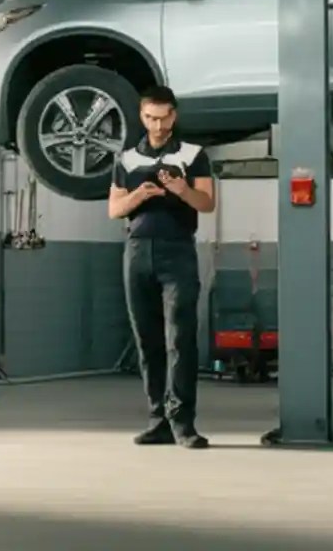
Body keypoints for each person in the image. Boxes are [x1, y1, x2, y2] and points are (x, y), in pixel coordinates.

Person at [108, 85, 216, 448]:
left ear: (174, 115)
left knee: (180, 337)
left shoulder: (193, 154)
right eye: (151, 118)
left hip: (178, 250)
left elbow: (207, 202)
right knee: (147, 339)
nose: (157, 125)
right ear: (142, 116)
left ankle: (182, 421)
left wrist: (182, 190)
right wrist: (139, 196)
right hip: (137, 251)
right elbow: (114, 209)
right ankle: (158, 419)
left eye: (164, 117)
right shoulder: (125, 160)